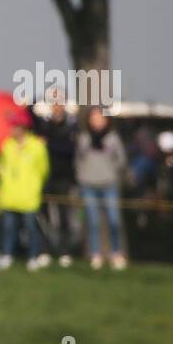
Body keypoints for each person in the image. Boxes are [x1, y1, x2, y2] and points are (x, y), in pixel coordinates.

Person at [0, 109, 49, 271]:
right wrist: (3, 174)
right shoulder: (5, 145)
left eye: (15, 126)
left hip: (28, 196)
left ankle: (33, 256)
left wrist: (34, 184)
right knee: (8, 228)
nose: (11, 129)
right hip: (8, 195)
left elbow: (43, 169)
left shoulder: (36, 146)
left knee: (31, 228)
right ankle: (7, 255)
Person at [75, 106, 128, 270]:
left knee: (114, 220)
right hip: (88, 184)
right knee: (93, 221)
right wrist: (82, 177)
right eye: (94, 117)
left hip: (109, 183)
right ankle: (95, 254)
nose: (97, 121)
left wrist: (112, 172)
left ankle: (116, 253)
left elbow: (121, 160)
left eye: (100, 117)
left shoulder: (112, 139)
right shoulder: (83, 138)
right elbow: (78, 160)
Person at [36, 91, 80, 266]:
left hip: (64, 178)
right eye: (53, 102)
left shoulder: (71, 126)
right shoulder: (44, 125)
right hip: (46, 176)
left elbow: (69, 149)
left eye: (59, 102)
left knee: (64, 216)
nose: (56, 106)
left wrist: (50, 144)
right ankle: (44, 250)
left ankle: (64, 251)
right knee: (44, 216)